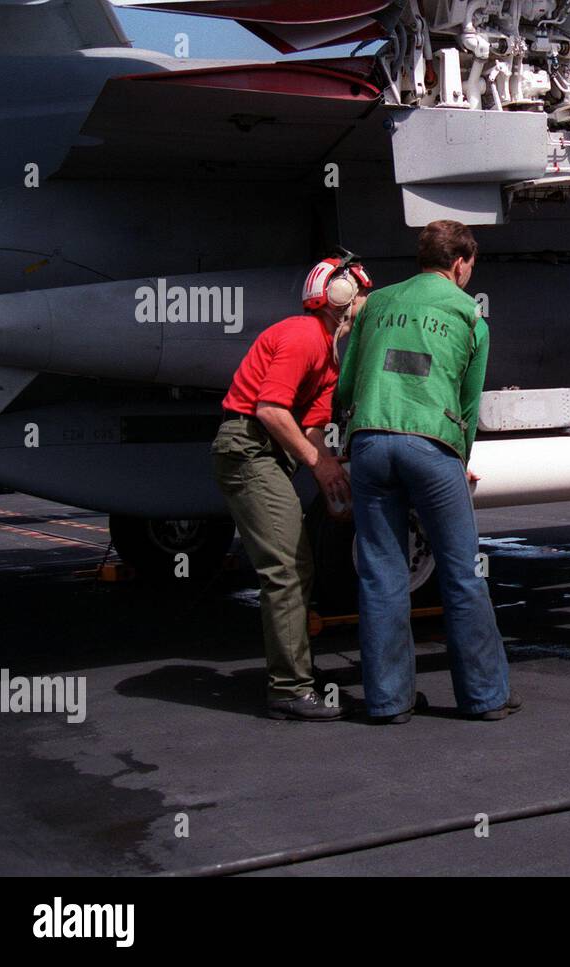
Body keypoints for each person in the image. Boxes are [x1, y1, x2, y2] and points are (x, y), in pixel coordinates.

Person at [336, 220, 516, 724]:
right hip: (431, 447)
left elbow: (346, 385)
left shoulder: (375, 304)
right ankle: (484, 697)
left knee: (381, 575)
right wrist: (459, 459)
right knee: (461, 574)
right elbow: (468, 401)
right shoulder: (470, 316)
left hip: (370, 443)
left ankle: (388, 702)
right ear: (459, 263)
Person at [212, 253, 372, 720]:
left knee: (298, 564)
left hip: (267, 452)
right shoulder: (303, 337)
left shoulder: (329, 355)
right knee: (286, 567)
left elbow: (312, 429)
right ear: (339, 296)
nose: (366, 301)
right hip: (247, 448)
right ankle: (288, 689)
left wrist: (328, 475)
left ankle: (296, 673)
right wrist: (320, 468)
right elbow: (271, 411)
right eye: (361, 293)